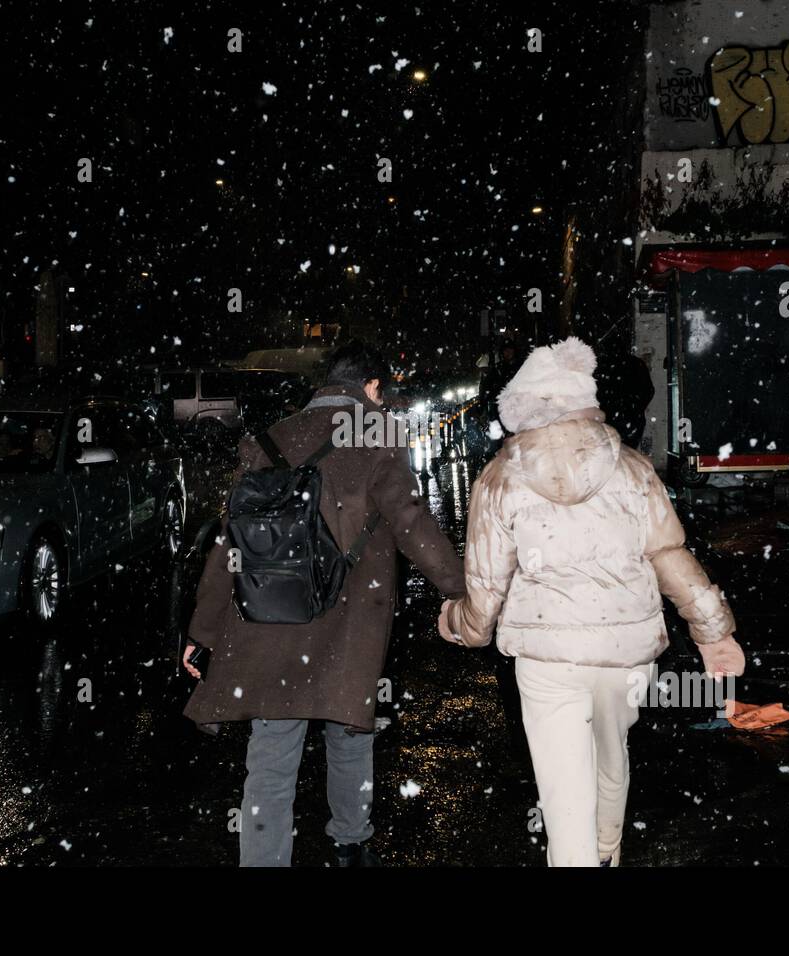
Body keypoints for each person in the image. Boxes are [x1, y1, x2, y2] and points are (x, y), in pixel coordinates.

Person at [437, 336, 744, 867]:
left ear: (521, 408)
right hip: (627, 648)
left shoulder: (498, 478)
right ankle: (608, 848)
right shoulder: (631, 468)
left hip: (547, 654)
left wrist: (459, 624)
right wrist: (714, 633)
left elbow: (486, 586)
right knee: (611, 751)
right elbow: (670, 554)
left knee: (563, 784)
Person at [182, 340, 466, 867]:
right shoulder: (378, 435)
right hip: (348, 617)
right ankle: (349, 842)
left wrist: (203, 631)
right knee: (351, 729)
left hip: (271, 618)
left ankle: (263, 859)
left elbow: (231, 543)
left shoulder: (271, 439)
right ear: (372, 387)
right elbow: (410, 521)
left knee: (270, 756)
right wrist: (460, 588)